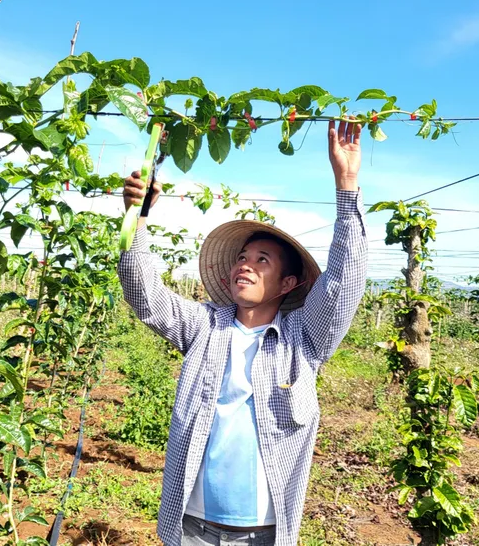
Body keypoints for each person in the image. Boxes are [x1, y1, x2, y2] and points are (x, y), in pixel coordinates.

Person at [118, 121, 368, 546]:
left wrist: (347, 186)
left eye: (263, 260)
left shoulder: (302, 341)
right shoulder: (204, 327)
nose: (245, 265)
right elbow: (145, 295)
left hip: (263, 530)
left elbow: (344, 282)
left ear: (288, 284)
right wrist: (136, 219)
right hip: (192, 523)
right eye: (242, 257)